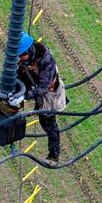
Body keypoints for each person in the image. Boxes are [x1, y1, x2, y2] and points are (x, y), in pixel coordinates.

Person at [16, 31, 66, 162]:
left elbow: (44, 88)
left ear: (29, 51)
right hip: (32, 81)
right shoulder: (28, 55)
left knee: (48, 123)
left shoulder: (46, 61)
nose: (19, 58)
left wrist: (25, 96)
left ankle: (54, 155)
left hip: (48, 94)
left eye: (21, 55)